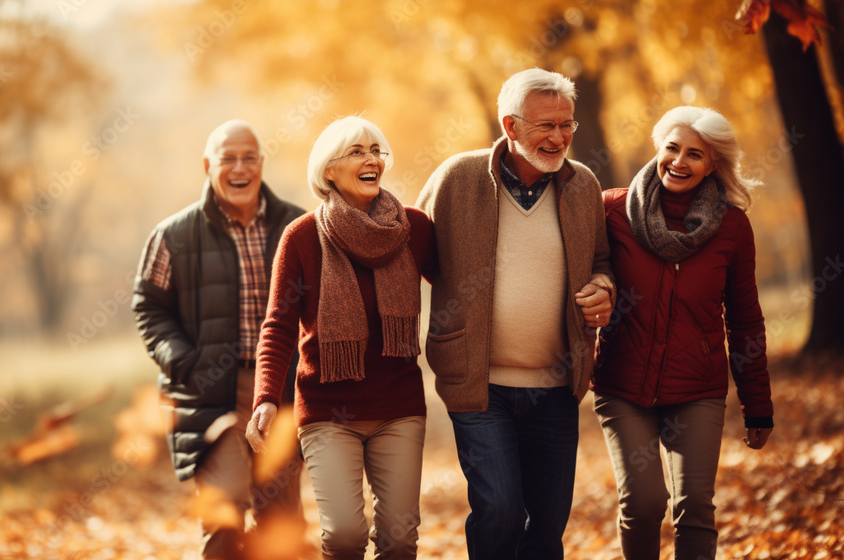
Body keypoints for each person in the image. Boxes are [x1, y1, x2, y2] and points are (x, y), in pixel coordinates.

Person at [415, 68, 615, 560]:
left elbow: (601, 261)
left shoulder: (582, 185)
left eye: (567, 125)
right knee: (500, 509)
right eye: (546, 125)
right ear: (510, 125)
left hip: (556, 386)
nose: (559, 137)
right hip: (478, 384)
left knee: (547, 526)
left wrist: (603, 286)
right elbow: (415, 253)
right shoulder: (457, 179)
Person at [246, 116, 436, 560]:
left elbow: (459, 289)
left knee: (399, 539)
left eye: (376, 151)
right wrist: (266, 398)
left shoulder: (413, 228)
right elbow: (277, 326)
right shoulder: (301, 237)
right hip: (328, 410)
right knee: (345, 536)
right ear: (328, 170)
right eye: (356, 152)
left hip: (399, 406)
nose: (371, 160)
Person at [592, 105, 773, 560]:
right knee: (644, 502)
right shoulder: (613, 210)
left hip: (697, 389)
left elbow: (745, 318)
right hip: (623, 386)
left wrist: (757, 404)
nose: (679, 161)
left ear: (713, 165)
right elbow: (581, 275)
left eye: (695, 154)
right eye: (672, 148)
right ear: (658, 149)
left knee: (694, 509)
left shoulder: (732, 227)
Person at [131, 119, 306, 560]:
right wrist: (183, 362)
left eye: (249, 157)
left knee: (281, 525)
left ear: (261, 164)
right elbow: (149, 307)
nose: (240, 168)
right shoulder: (173, 235)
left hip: (281, 391)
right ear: (207, 166)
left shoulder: (298, 226)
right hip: (210, 394)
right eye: (228, 158)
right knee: (224, 513)